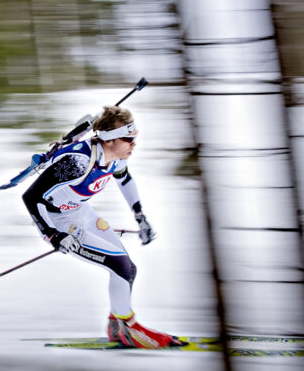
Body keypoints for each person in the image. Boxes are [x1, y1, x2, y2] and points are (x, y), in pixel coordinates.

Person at [21, 105, 185, 348]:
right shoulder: (77, 162)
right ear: (108, 140)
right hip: (58, 222)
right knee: (119, 265)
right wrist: (53, 236)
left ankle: (117, 326)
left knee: (128, 269)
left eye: (134, 137)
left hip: (81, 212)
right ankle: (129, 327)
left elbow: (125, 179)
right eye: (128, 138)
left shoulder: (116, 157)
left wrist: (140, 215)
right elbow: (31, 197)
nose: (134, 143)